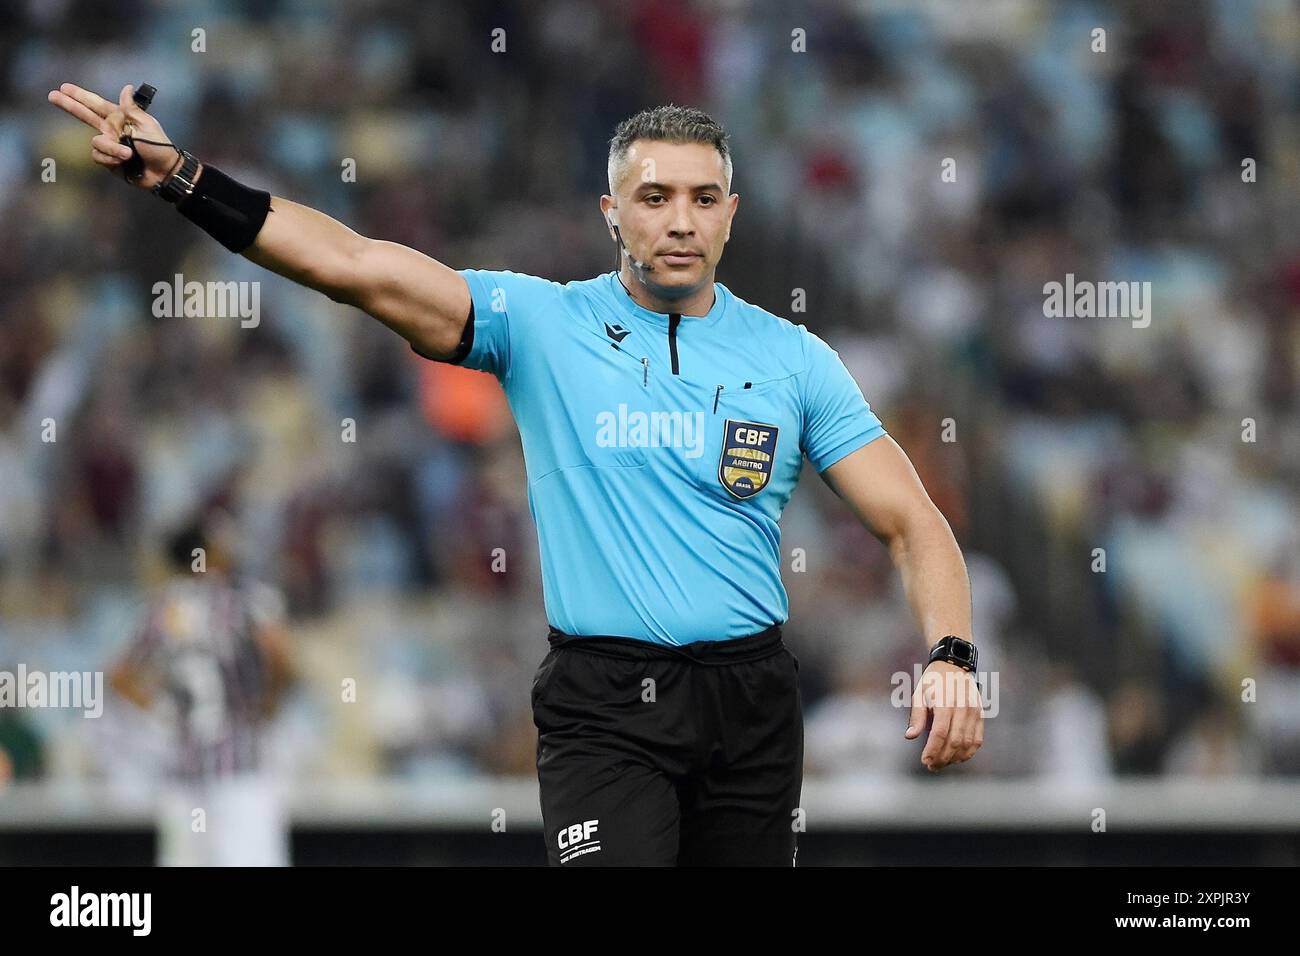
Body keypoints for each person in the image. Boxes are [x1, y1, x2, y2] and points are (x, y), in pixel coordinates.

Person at [51, 84, 983, 866]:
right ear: (611, 212)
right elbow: (355, 267)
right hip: (605, 703)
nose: (681, 220)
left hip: (750, 704)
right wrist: (184, 179)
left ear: (733, 215)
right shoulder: (540, 324)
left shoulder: (794, 359)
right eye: (654, 197)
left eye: (705, 199)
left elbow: (913, 523)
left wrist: (950, 655)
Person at [109, 516, 295, 865]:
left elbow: (118, 675)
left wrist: (160, 711)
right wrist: (269, 704)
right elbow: (280, 655)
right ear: (207, 552)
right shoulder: (246, 598)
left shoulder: (164, 608)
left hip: (184, 768)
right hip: (241, 767)